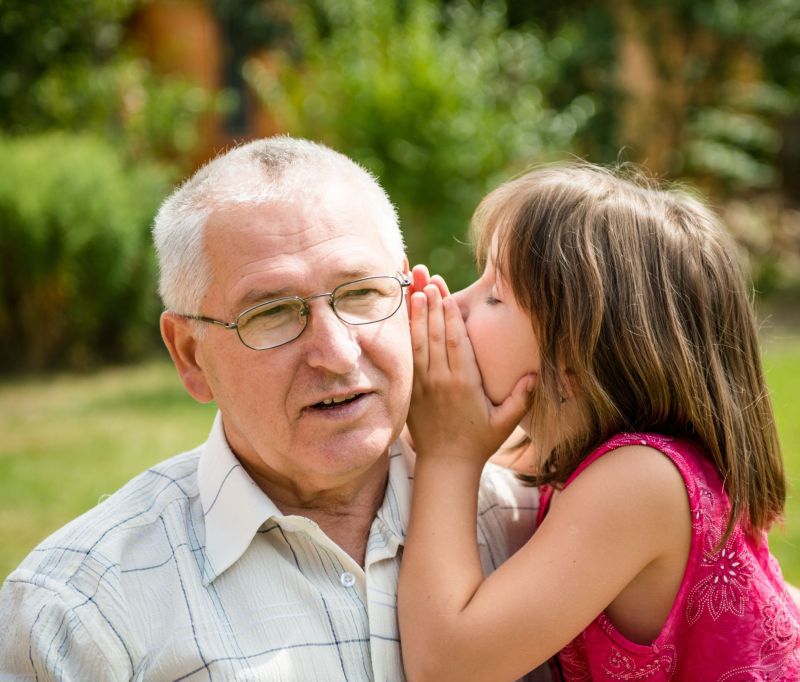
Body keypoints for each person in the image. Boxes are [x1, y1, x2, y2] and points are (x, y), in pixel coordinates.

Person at [0, 137, 548, 681]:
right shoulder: (80, 613)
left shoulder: (532, 529)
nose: (336, 354)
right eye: (272, 313)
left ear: (409, 297)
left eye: (360, 293)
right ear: (190, 355)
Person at [398, 163, 800, 681]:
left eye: (495, 296)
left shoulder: (640, 480)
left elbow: (447, 667)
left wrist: (449, 455)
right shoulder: (586, 455)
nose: (454, 303)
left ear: (575, 362)